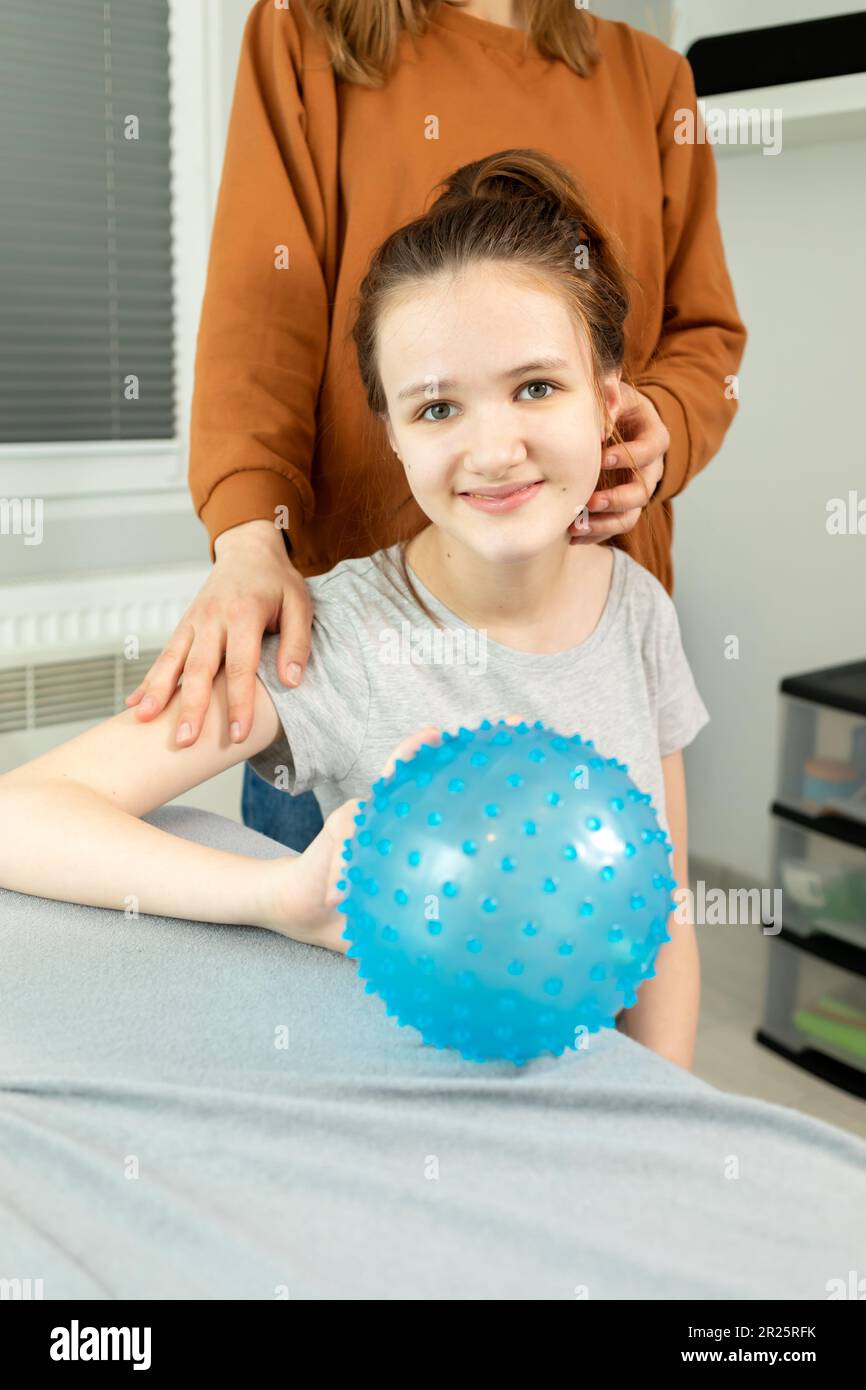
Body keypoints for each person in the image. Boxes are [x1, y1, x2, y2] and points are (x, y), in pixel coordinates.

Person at [0, 149, 707, 1070]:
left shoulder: (643, 614)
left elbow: (669, 908)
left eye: (536, 387)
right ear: (394, 438)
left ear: (609, 403)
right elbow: (24, 816)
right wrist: (272, 895)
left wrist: (667, 1113)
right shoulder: (340, 640)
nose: (494, 450)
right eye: (438, 409)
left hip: (594, 1094)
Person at [122, 0, 746, 855]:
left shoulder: (650, 77)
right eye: (442, 408)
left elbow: (705, 336)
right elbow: (263, 312)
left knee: (599, 942)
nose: (495, 448)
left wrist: (662, 422)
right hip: (362, 651)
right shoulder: (304, 36)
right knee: (336, 961)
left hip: (583, 632)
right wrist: (247, 535)